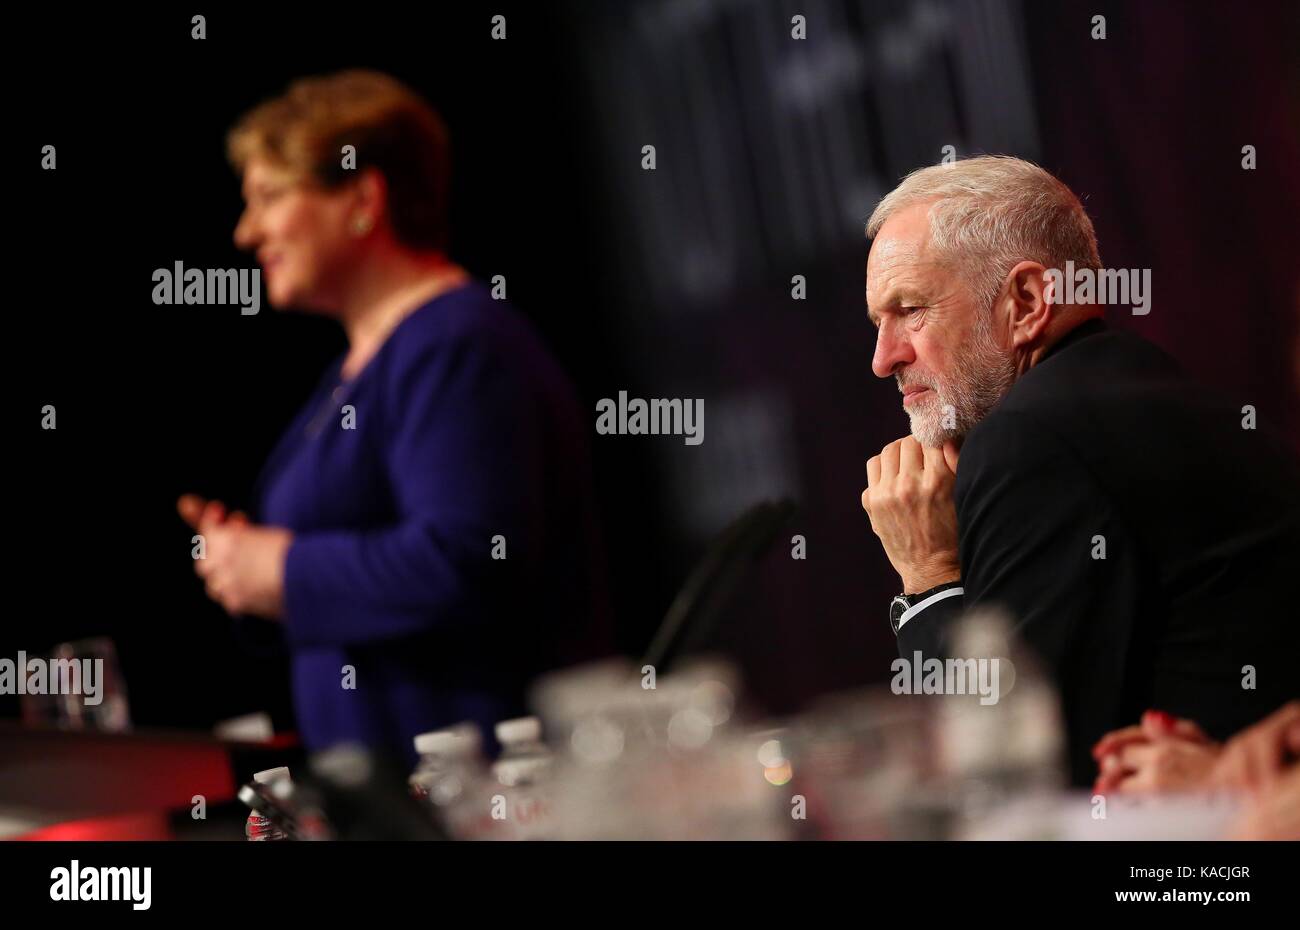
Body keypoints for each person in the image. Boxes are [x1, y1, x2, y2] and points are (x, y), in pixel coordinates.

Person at [178, 70, 609, 766]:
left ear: (361, 198)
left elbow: (467, 559)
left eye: (269, 197)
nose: (246, 231)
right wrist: (247, 565)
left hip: (476, 793)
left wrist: (282, 568)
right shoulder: (359, 367)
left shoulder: (455, 343)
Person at [859, 155, 1300, 785]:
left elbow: (1005, 786)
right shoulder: (1138, 393)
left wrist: (930, 577)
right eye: (879, 323)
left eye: (911, 310)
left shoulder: (1033, 441)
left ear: (1029, 301)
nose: (883, 359)